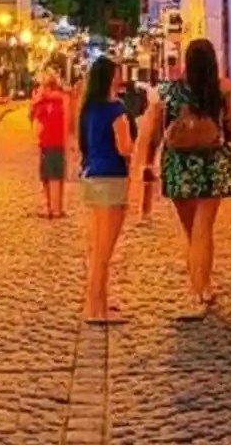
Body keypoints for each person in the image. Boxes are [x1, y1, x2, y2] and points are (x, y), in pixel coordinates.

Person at [137, 38, 231, 319]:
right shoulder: (223, 89)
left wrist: (147, 162)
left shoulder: (170, 91)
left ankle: (198, 287)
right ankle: (202, 288)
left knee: (191, 231)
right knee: (203, 230)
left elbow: (157, 132)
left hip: (179, 164)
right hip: (212, 163)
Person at [78, 56, 135, 324]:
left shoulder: (88, 109)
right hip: (112, 178)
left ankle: (100, 302)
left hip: (92, 176)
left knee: (97, 247)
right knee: (105, 250)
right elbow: (124, 147)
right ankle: (94, 308)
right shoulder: (116, 110)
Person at [31, 68, 70, 218]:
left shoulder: (58, 100)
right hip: (48, 141)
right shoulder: (50, 101)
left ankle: (54, 209)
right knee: (49, 176)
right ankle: (53, 207)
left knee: (52, 175)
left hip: (52, 141)